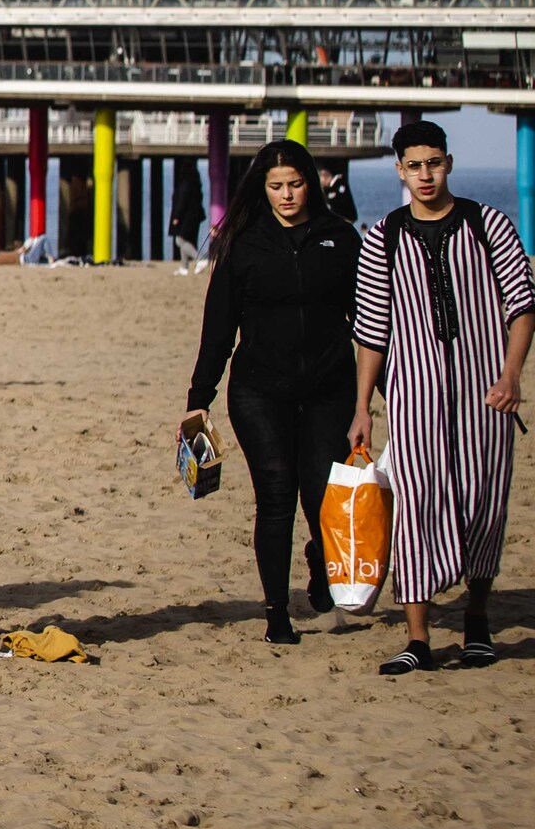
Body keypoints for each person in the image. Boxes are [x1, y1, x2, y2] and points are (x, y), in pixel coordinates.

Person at [350, 120, 534, 675]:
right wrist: (363, 406)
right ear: (400, 170)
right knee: (414, 508)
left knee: (483, 506)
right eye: (414, 165)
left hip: (486, 398)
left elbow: (522, 306)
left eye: (434, 163)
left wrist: (511, 375)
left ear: (448, 164)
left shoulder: (488, 224)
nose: (425, 174)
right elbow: (371, 328)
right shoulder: (382, 237)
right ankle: (418, 638)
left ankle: (477, 623)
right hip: (413, 398)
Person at [181, 139, 361, 644]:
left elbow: (367, 319)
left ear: (312, 184)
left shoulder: (340, 239)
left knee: (323, 496)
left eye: (296, 184)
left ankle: (321, 562)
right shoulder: (243, 243)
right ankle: (277, 612)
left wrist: (381, 386)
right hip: (260, 390)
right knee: (277, 496)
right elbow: (218, 327)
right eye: (277, 186)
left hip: (329, 388)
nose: (287, 195)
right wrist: (200, 398)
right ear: (262, 189)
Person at [169, 159, 208, 267]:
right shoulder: (196, 184)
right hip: (195, 217)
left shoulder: (185, 184)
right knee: (184, 239)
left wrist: (177, 217)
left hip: (186, 218)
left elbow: (182, 202)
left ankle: (199, 259)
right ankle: (184, 266)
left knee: (179, 240)